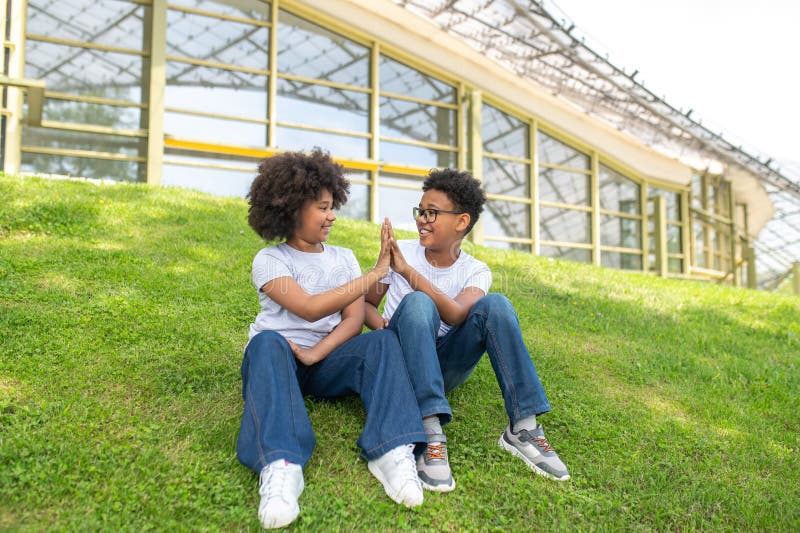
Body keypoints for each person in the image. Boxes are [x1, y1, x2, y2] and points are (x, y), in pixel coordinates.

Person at [237, 149, 427, 529]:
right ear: (292, 210)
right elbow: (308, 308)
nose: (332, 216)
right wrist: (375, 274)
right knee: (266, 342)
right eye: (322, 208)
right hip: (278, 360)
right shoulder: (270, 260)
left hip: (326, 360)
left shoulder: (343, 258)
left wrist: (315, 354)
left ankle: (392, 451)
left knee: (382, 341)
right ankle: (281, 464)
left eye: (332, 206)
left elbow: (354, 318)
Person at [365, 168, 570, 492]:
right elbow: (366, 306)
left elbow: (459, 314)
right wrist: (381, 323)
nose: (422, 220)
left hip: (443, 365)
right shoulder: (399, 251)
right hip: (399, 364)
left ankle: (523, 429)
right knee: (418, 304)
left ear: (461, 222)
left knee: (497, 305)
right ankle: (429, 431)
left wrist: (407, 271)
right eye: (420, 211)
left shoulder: (475, 270)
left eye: (432, 213)